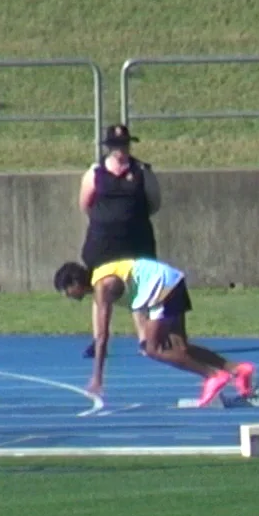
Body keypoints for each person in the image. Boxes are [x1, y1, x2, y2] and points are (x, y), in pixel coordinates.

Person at [53, 257, 256, 407]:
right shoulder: (103, 276)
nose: (67, 296)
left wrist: (97, 376)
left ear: (75, 283)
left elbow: (102, 336)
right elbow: (137, 298)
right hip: (173, 280)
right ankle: (237, 369)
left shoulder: (102, 286)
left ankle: (212, 375)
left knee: (152, 348)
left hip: (161, 287)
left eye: (66, 291)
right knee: (180, 347)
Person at [79, 125, 161, 357]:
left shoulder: (142, 171)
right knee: (101, 289)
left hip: (136, 241)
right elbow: (85, 204)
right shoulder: (95, 172)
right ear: (108, 147)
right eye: (115, 145)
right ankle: (99, 341)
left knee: (139, 288)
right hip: (103, 243)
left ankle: (145, 339)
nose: (120, 150)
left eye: (124, 144)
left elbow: (155, 202)